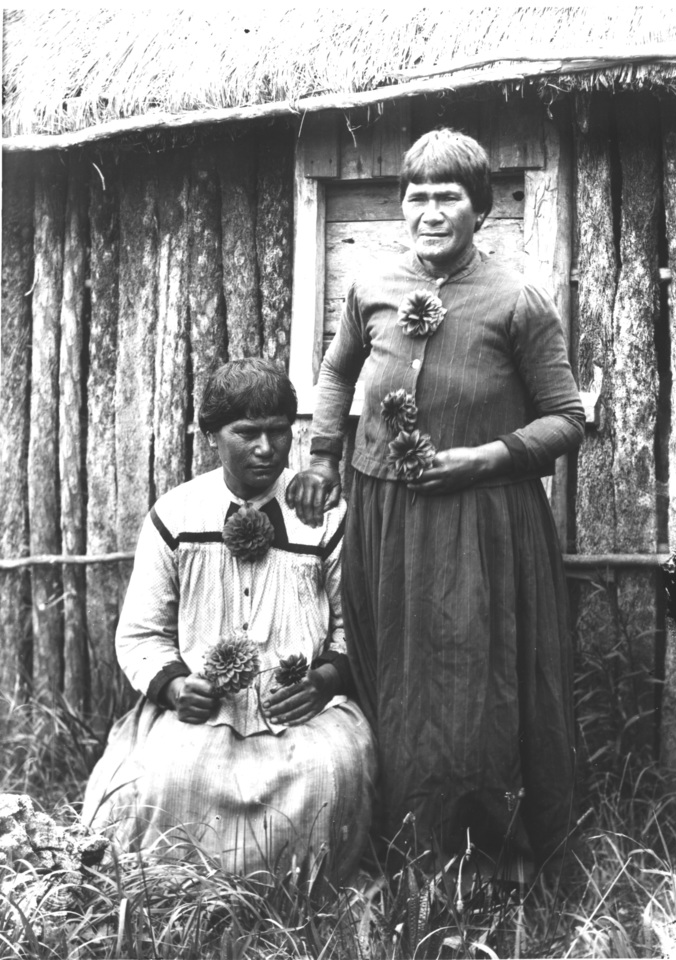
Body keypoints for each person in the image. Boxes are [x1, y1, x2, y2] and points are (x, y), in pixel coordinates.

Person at [286, 128, 586, 874]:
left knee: (470, 687)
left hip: (478, 524)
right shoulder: (371, 286)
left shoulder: (517, 302)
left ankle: (489, 856)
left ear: (479, 209)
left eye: (447, 195)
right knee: (393, 673)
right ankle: (399, 846)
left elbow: (567, 419)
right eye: (416, 195)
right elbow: (333, 376)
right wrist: (323, 457)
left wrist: (484, 458)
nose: (429, 210)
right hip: (384, 515)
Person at [83, 359, 376, 886]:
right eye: (247, 433)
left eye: (279, 432)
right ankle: (179, 895)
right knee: (172, 776)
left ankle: (303, 896)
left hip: (299, 707)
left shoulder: (325, 519)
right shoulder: (176, 516)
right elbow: (141, 634)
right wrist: (174, 688)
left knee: (327, 773)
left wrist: (324, 680)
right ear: (211, 435)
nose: (266, 448)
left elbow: (352, 628)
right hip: (204, 708)